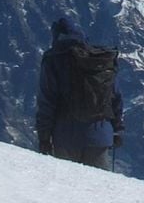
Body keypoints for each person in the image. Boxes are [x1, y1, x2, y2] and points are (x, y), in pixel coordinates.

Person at [35, 17, 122, 169]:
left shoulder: (53, 59)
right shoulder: (99, 59)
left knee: (66, 181)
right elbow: (115, 97)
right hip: (101, 135)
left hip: (65, 136)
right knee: (97, 183)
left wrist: (44, 137)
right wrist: (117, 130)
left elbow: (47, 101)